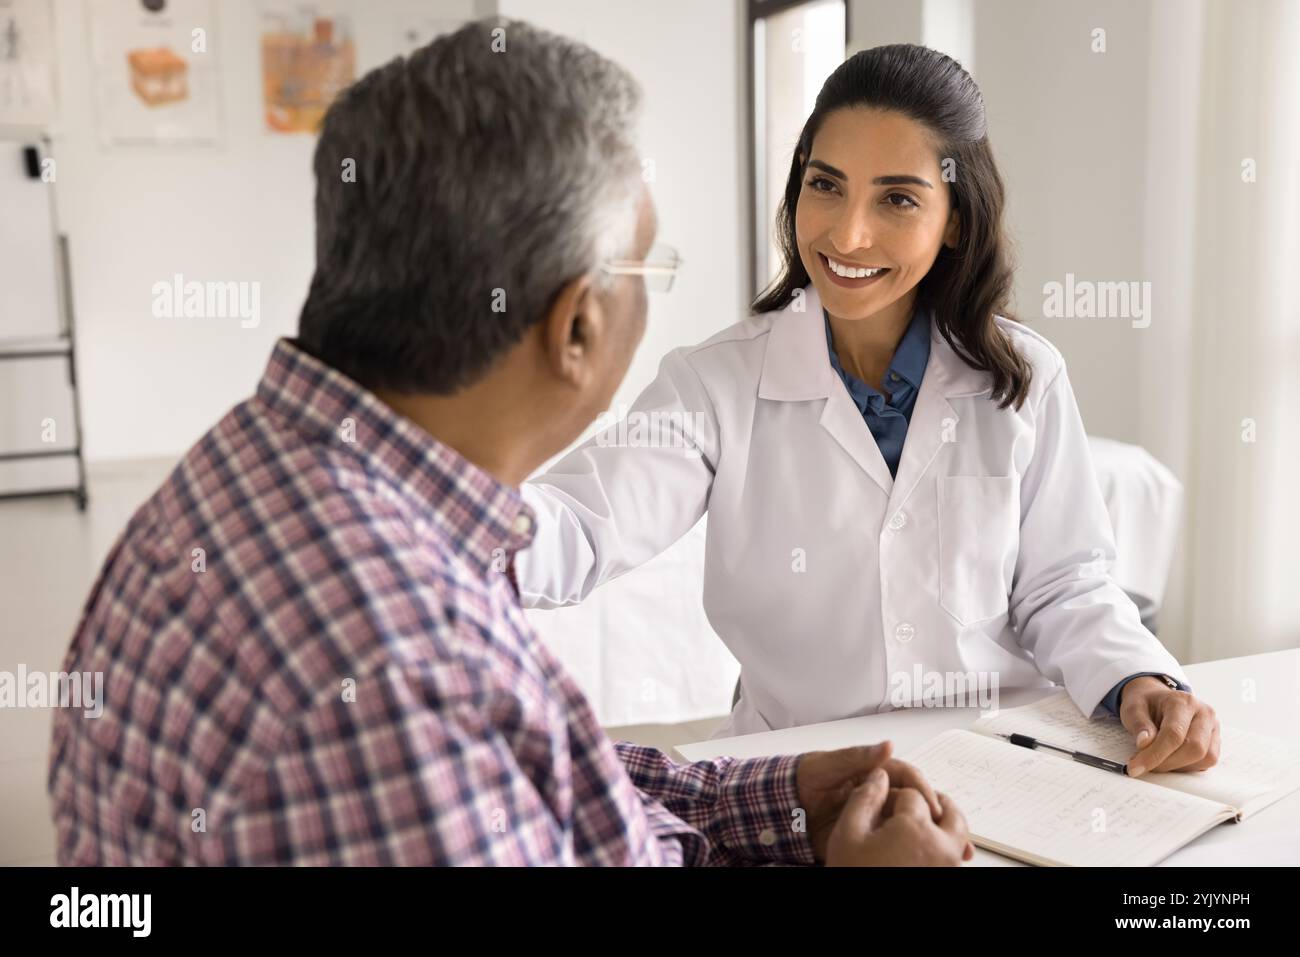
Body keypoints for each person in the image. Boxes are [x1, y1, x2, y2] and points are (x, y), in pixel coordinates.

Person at [47, 20, 971, 867]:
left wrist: (765, 801)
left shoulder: (268, 464)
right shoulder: (397, 672)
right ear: (576, 329)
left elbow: (522, 764)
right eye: (648, 268)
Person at [517, 44, 1221, 778]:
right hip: (803, 773)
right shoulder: (715, 382)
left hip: (1006, 759)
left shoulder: (1026, 376)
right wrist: (434, 536)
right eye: (826, 185)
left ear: (955, 218)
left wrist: (1140, 677)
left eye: (897, 198)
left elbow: (1064, 582)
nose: (847, 234)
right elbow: (583, 523)